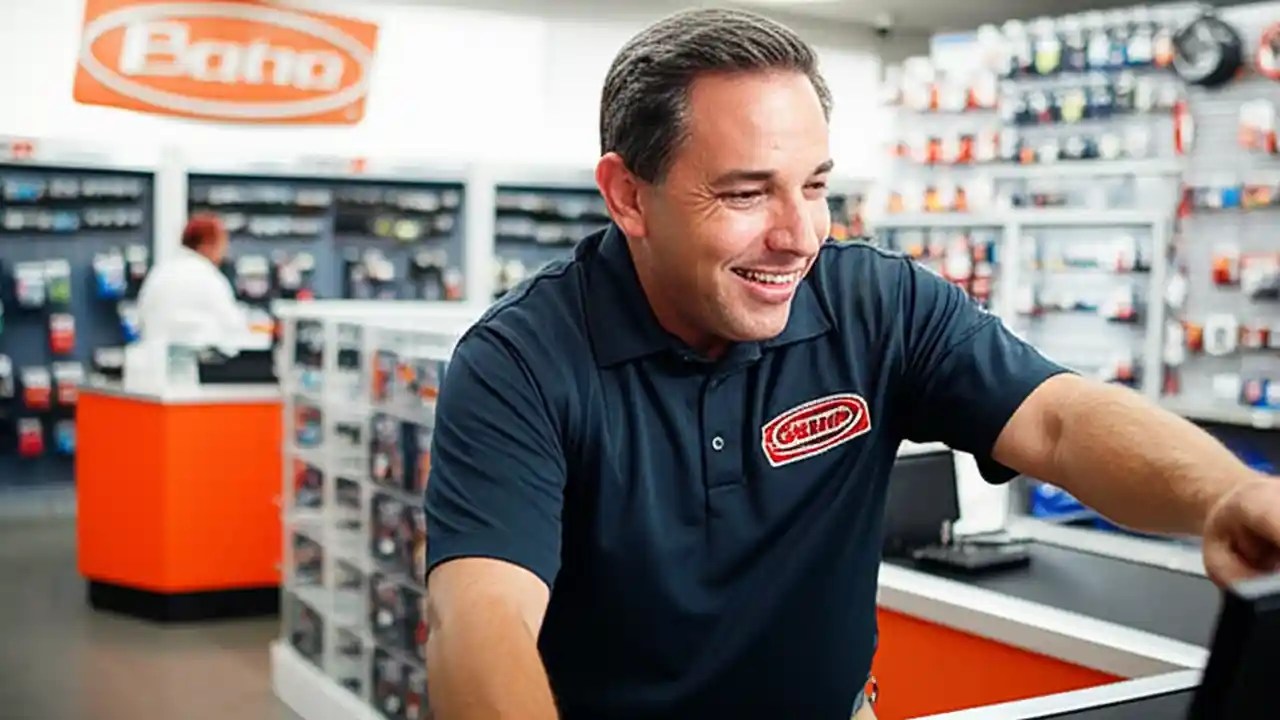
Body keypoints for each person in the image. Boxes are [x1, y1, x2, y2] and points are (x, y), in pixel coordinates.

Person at [424, 8, 1280, 720]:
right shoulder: (519, 362)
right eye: (746, 192)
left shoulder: (877, 302)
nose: (799, 235)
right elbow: (482, 620)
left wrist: (1225, 494)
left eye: (816, 185)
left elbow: (1058, 420)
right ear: (626, 196)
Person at [135, 213, 249, 349]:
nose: (223, 252)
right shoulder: (208, 277)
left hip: (155, 360)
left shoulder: (160, 272)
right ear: (207, 244)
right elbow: (232, 325)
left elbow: (141, 317)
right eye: (222, 244)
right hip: (195, 361)